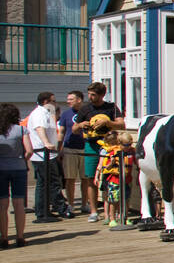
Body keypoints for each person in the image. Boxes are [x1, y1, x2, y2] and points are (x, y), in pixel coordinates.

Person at [72, 82, 124, 223]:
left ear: (101, 95)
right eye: (89, 94)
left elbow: (121, 124)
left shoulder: (111, 107)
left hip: (109, 145)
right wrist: (81, 125)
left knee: (110, 177)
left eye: (93, 94)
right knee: (90, 178)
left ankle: (110, 212)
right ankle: (94, 211)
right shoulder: (85, 109)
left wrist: (107, 123)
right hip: (91, 145)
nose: (90, 97)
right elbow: (74, 129)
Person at [27, 92, 66, 222]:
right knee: (48, 183)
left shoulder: (47, 113)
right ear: (45, 102)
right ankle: (50, 210)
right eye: (53, 101)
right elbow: (39, 128)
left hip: (49, 154)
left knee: (46, 183)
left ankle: (45, 210)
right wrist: (46, 143)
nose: (55, 103)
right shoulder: (39, 113)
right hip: (43, 155)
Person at [0, 103, 30, 247]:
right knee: (18, 203)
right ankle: (20, 236)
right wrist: (23, 159)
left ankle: (4, 237)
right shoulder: (21, 130)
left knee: (2, 204)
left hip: (1, 168)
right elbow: (29, 150)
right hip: (19, 167)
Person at [58, 90, 89, 214]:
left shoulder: (87, 112)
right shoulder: (65, 114)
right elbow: (61, 132)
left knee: (85, 178)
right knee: (70, 178)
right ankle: (70, 204)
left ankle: (84, 204)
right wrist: (59, 149)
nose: (68, 101)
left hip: (86, 148)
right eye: (68, 99)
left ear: (79, 100)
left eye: (71, 99)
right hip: (69, 148)